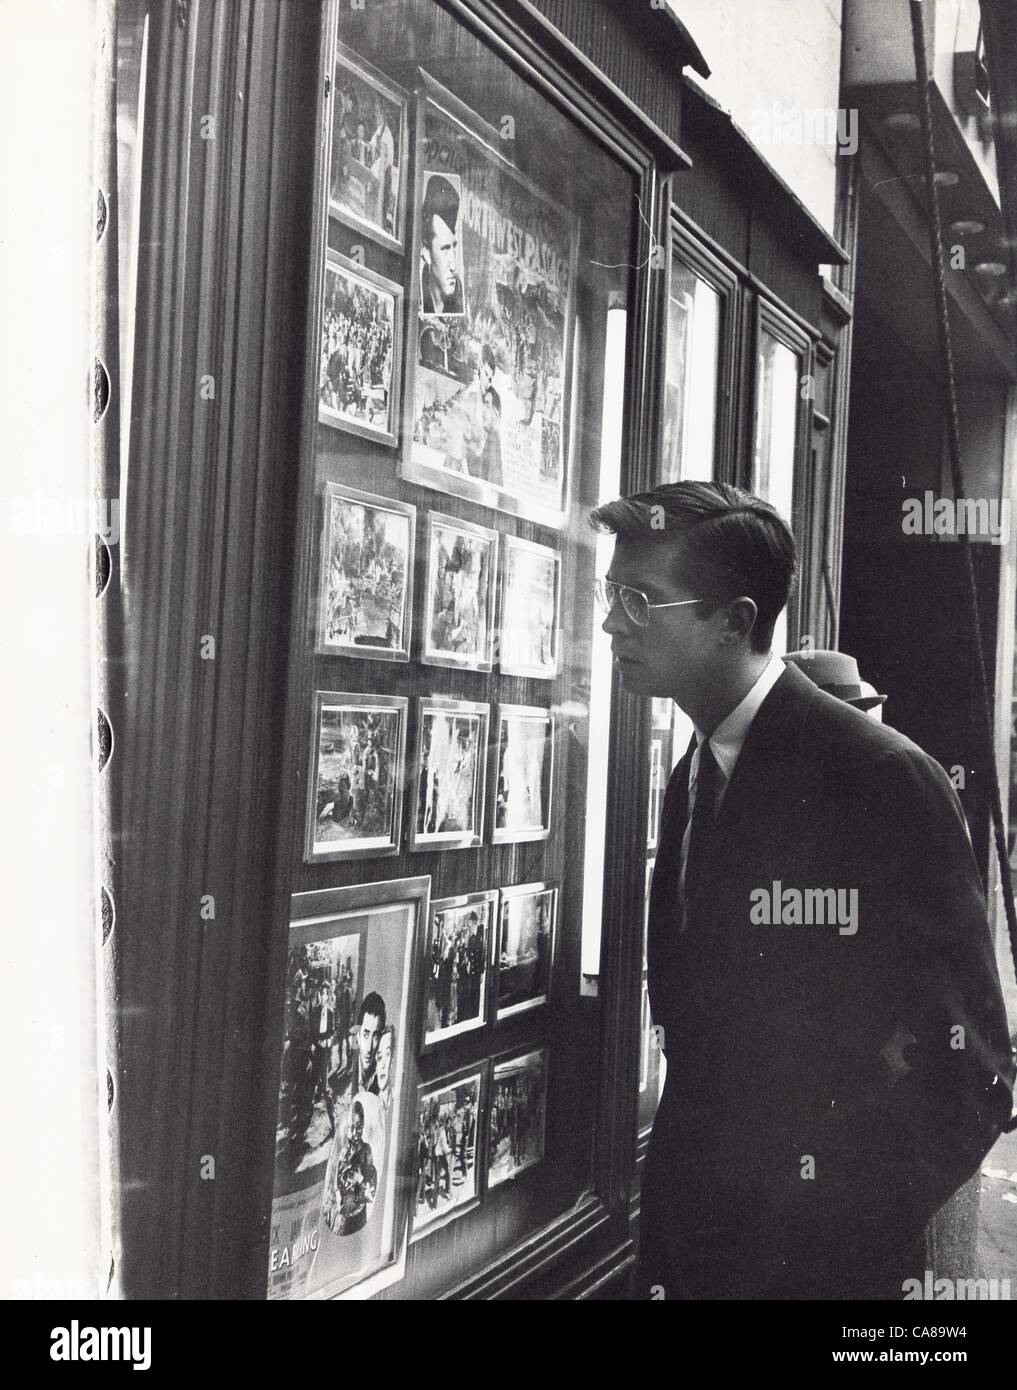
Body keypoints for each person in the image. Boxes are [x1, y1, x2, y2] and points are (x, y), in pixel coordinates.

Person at [590, 479, 1014, 1301]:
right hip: (699, 1244)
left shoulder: (879, 777)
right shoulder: (696, 772)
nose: (612, 623)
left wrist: (820, 1245)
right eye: (612, 595)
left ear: (734, 620)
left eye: (639, 600)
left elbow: (970, 1072)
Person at [419, 174, 464, 316]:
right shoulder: (416, 293)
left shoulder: (459, 297)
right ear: (426, 252)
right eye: (444, 249)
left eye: (454, 247)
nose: (453, 266)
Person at [307, 985, 336, 1140]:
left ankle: (334, 1123)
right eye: (321, 994)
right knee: (312, 1083)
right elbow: (311, 1032)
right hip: (316, 1051)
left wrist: (329, 1041)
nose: (323, 997)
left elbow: (333, 1031)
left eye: (326, 994)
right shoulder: (316, 1011)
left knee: (325, 1087)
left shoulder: (330, 1012)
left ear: (328, 995)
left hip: (325, 1052)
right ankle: (305, 1123)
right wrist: (313, 1043)